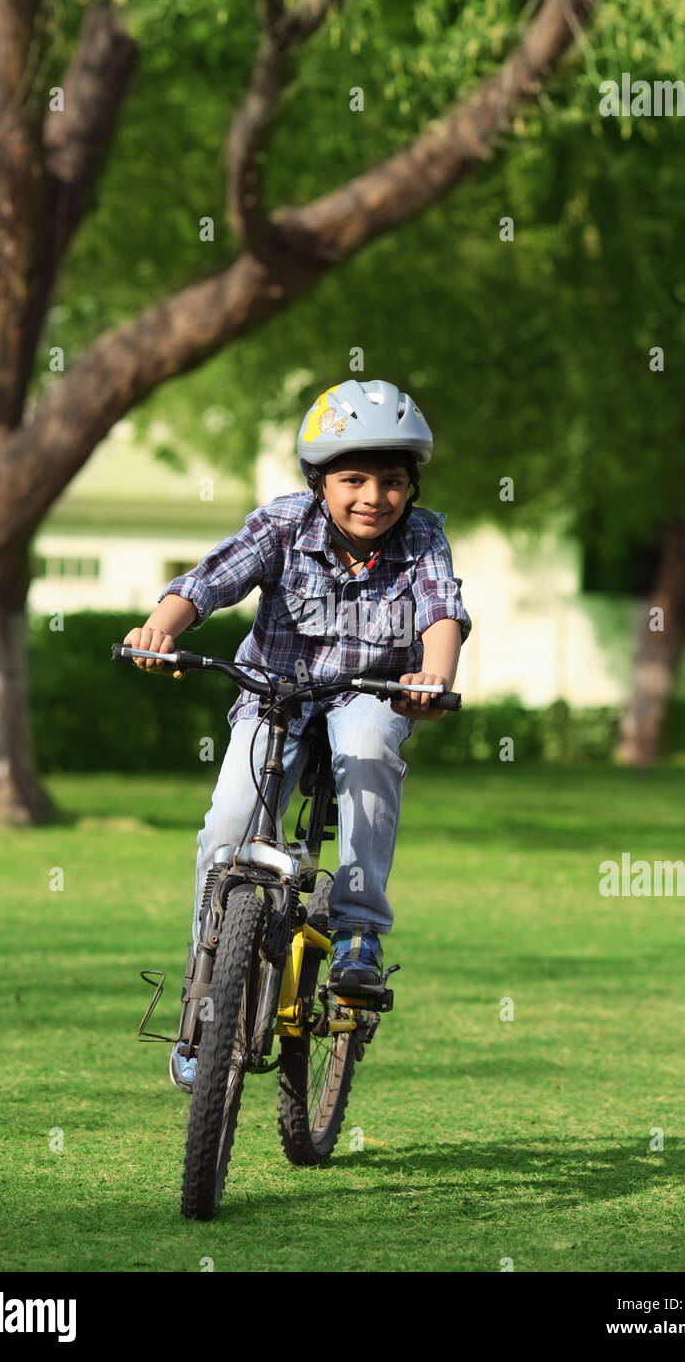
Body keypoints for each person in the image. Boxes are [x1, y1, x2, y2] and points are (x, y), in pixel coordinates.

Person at [122, 378, 472, 1090]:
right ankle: (209, 989)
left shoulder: (424, 538)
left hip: (370, 695)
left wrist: (432, 680)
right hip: (274, 695)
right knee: (228, 824)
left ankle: (358, 930)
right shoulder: (282, 524)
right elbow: (209, 580)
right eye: (353, 479)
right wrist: (161, 627)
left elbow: (442, 613)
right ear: (319, 482)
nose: (374, 496)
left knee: (370, 747)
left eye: (392, 481)